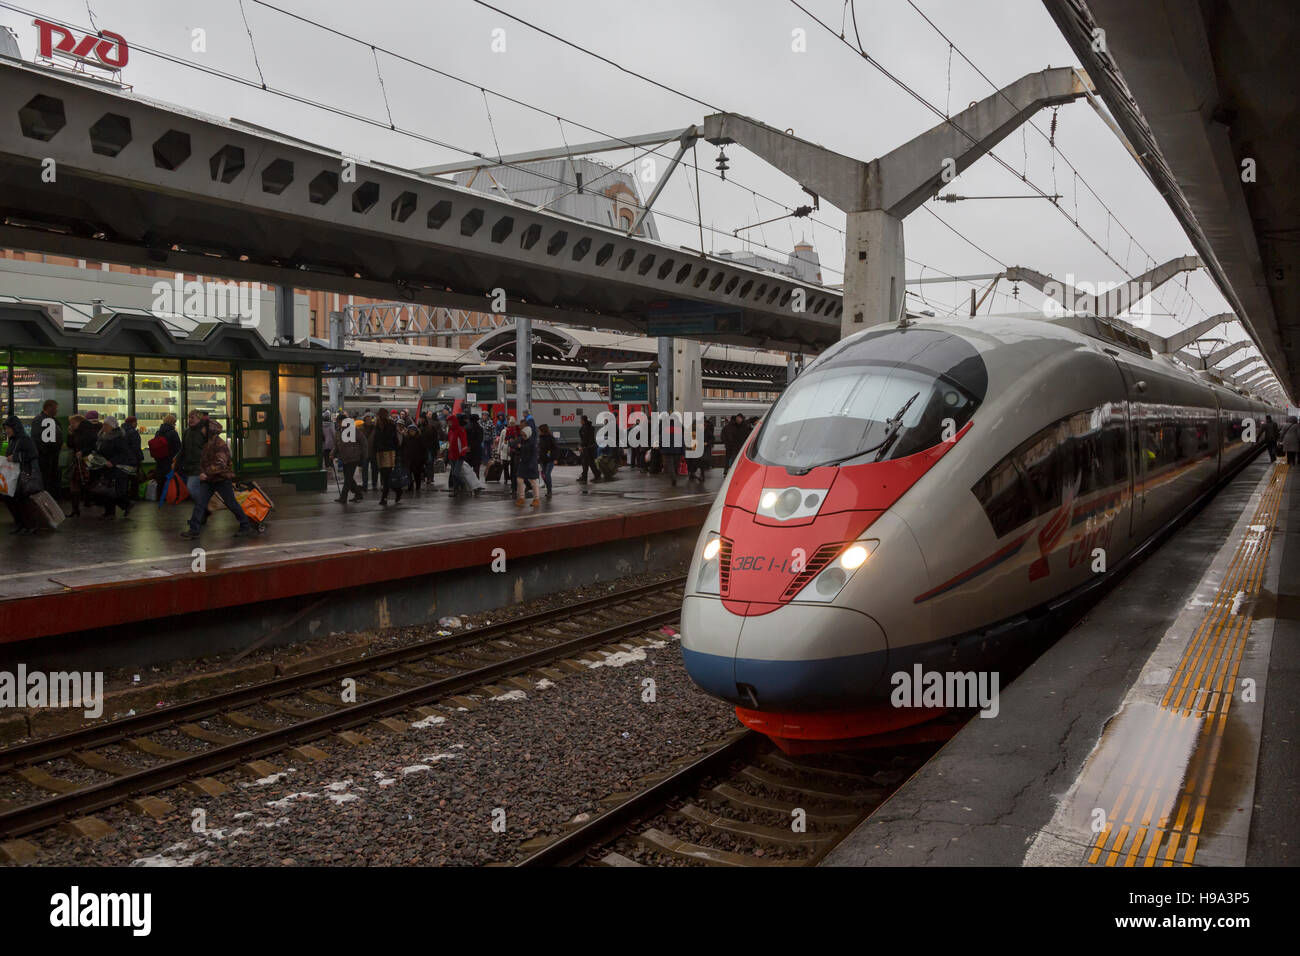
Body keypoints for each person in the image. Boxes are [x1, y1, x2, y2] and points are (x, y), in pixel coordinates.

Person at [181, 420, 253, 539]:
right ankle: (194, 530)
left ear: (210, 430)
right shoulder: (208, 443)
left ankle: (245, 525)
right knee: (200, 503)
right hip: (210, 480)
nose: (202, 430)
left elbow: (221, 464)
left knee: (231, 503)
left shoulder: (219, 445)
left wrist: (206, 473)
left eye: (204, 428)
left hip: (221, 479)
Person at [4, 415, 42, 534]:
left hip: (23, 475)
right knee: (13, 500)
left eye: (8, 428)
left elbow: (34, 454)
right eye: (5, 428)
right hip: (15, 476)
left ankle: (29, 525)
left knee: (22, 501)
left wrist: (16, 457)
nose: (7, 431)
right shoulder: (13, 440)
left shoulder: (24, 439)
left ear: (15, 428)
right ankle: (21, 523)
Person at [94, 416, 134, 519]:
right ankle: (120, 507)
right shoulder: (102, 436)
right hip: (105, 466)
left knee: (111, 490)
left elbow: (124, 453)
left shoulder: (118, 438)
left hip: (116, 468)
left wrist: (112, 461)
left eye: (106, 425)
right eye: (103, 424)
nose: (104, 427)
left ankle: (112, 512)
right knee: (108, 490)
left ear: (112, 426)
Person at [31, 399, 61, 506]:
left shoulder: (39, 420)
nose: (57, 411)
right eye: (55, 408)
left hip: (44, 457)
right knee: (48, 481)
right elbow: (49, 442)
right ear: (49, 408)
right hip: (47, 458)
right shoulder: (47, 421)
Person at [447, 413, 484, 496]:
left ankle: (464, 486)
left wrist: (464, 450)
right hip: (467, 452)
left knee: (458, 473)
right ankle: (472, 487)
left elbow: (463, 441)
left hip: (462, 454)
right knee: (469, 471)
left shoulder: (462, 429)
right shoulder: (479, 428)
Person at [333, 414, 367, 504]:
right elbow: (336, 445)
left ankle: (343, 497)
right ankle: (358, 493)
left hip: (353, 457)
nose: (339, 423)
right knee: (349, 478)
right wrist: (332, 454)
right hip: (344, 457)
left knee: (348, 478)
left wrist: (363, 454)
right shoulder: (338, 431)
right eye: (338, 422)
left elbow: (363, 441)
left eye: (340, 422)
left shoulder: (352, 430)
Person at [373, 408, 402, 505]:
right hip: (385, 452)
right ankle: (397, 491)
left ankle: (384, 497)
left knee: (386, 476)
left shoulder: (385, 425)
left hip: (387, 452)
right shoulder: (381, 425)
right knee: (385, 476)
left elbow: (393, 440)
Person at [515, 413, 540, 507]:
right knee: (520, 480)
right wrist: (519, 448)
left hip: (530, 464)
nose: (523, 436)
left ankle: (536, 499)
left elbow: (533, 455)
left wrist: (520, 447)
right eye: (522, 435)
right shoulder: (524, 441)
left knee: (533, 482)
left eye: (524, 435)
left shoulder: (532, 444)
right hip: (524, 463)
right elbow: (519, 448)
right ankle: (521, 497)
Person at [152, 413, 182, 490]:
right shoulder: (173, 433)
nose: (175, 424)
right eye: (174, 423)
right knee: (170, 479)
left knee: (160, 479)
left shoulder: (158, 432)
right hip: (170, 460)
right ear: (172, 423)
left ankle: (159, 495)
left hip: (159, 459)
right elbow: (178, 447)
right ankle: (169, 495)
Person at [122, 416, 144, 500]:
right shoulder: (133, 432)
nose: (137, 424)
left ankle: (124, 495)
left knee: (125, 479)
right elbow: (136, 447)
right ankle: (134, 495)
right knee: (134, 478)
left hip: (124, 459)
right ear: (133, 422)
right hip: (133, 459)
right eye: (136, 422)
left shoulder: (121, 431)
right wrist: (140, 458)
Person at [403, 424, 426, 494]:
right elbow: (403, 448)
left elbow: (423, 449)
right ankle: (410, 487)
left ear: (416, 431)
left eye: (413, 431)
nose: (412, 432)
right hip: (409, 459)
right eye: (410, 431)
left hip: (417, 459)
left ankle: (418, 487)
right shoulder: (406, 438)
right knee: (409, 474)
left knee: (417, 474)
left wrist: (423, 459)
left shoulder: (420, 438)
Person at [578, 415, 599, 483]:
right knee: (586, 463)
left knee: (589, 463)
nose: (580, 421)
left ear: (583, 421)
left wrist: (581, 446)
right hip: (589, 448)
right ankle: (584, 476)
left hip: (587, 448)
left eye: (581, 420)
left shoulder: (585, 428)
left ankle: (597, 475)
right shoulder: (588, 427)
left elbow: (585, 439)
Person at [538, 423, 556, 497]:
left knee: (547, 475)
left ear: (543, 431)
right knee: (543, 475)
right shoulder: (541, 438)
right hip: (542, 460)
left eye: (539, 430)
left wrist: (554, 457)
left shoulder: (550, 438)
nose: (538, 432)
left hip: (549, 460)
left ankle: (549, 490)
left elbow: (554, 448)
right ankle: (548, 488)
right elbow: (540, 449)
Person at [361, 414, 378, 491]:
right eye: (367, 419)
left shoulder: (375, 429)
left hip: (373, 452)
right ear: (364, 420)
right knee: (364, 470)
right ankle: (365, 485)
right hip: (365, 453)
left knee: (375, 469)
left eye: (370, 419)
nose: (369, 421)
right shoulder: (361, 429)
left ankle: (374, 484)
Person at [466, 414, 484, 478]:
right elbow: (480, 440)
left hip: (468, 450)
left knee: (467, 468)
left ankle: (469, 482)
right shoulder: (480, 428)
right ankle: (476, 482)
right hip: (477, 450)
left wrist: (468, 446)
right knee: (476, 468)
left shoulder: (466, 427)